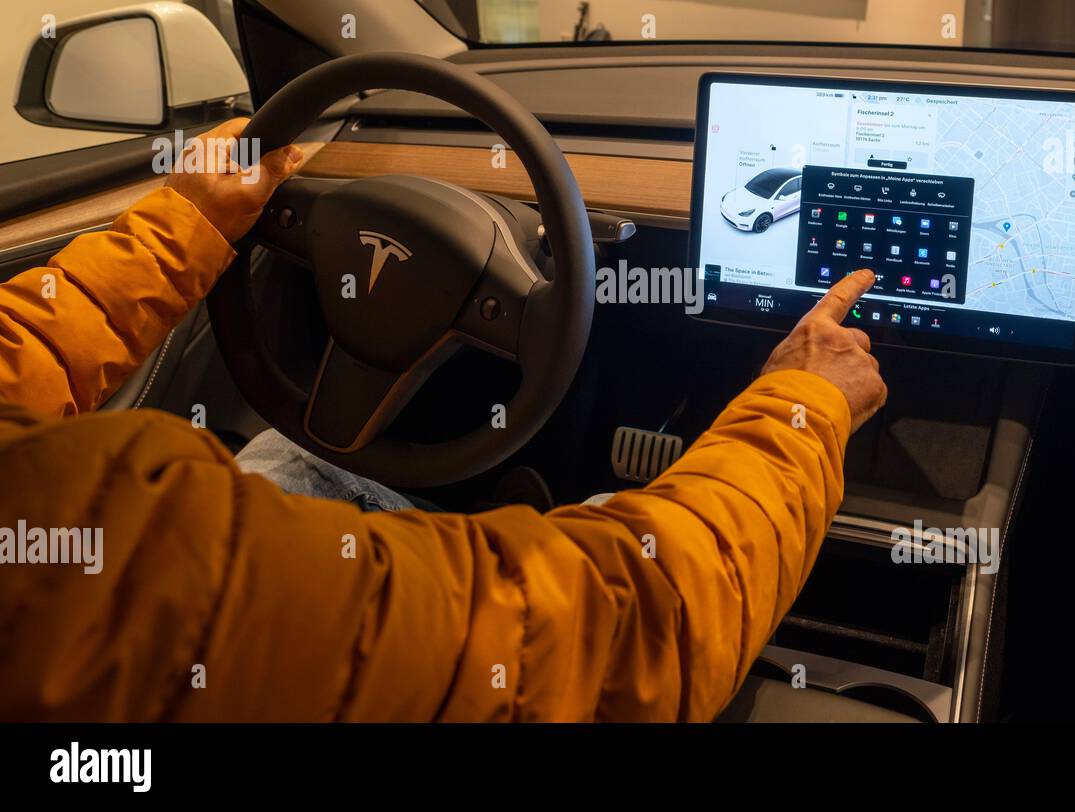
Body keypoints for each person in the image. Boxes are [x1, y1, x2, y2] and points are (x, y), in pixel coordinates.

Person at [0, 119, 887, 721]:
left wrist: (186, 219)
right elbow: (625, 630)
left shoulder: (68, 529)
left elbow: (14, 366)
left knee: (288, 455)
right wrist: (803, 406)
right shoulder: (120, 572)